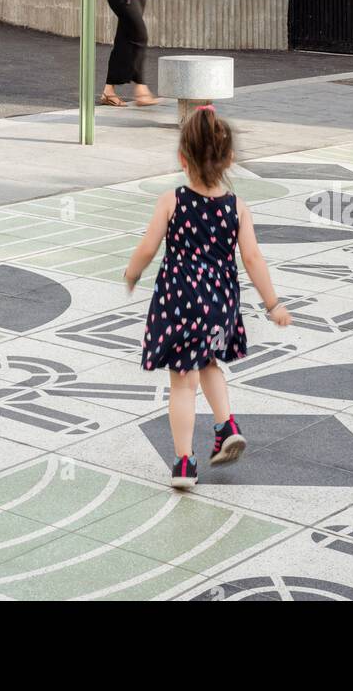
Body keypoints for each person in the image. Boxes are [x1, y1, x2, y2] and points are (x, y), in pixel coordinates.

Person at [124, 106, 292, 490]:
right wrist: (273, 305)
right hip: (220, 305)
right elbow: (252, 258)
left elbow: (148, 247)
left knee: (183, 382)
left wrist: (132, 273)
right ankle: (225, 424)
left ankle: (184, 463)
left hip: (180, 302)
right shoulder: (237, 208)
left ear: (182, 159)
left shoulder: (172, 201)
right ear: (230, 158)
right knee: (210, 362)